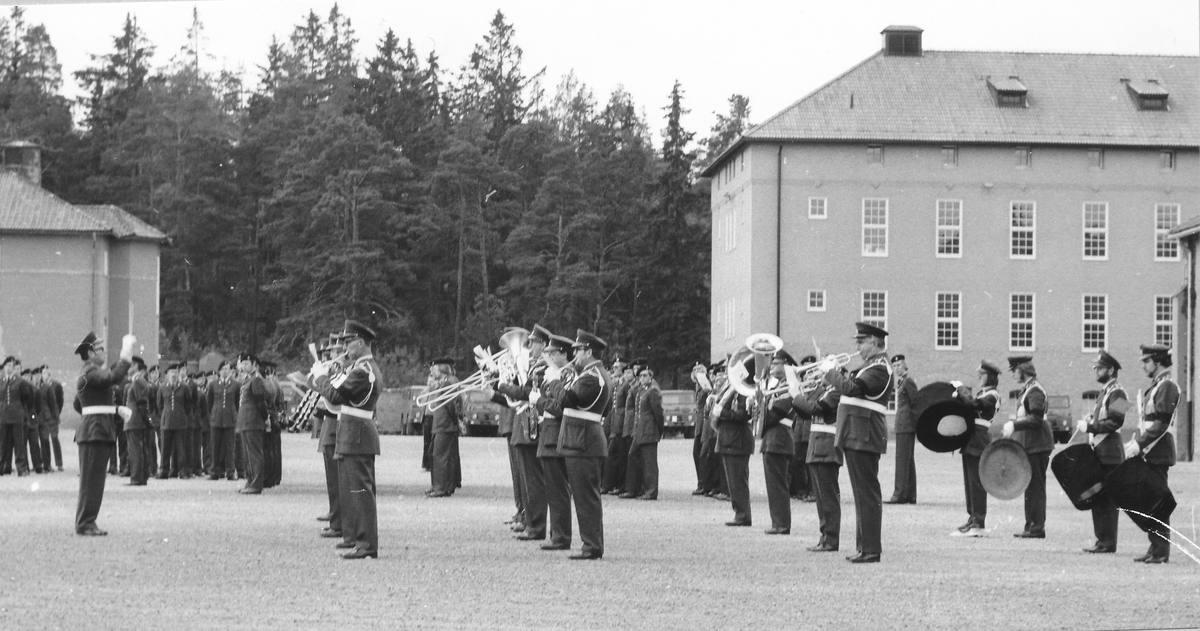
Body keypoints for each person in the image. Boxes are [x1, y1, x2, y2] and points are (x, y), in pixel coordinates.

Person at [310, 320, 383, 560]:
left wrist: (321, 378)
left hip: (357, 433)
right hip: (352, 432)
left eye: (349, 342)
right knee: (352, 490)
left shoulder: (363, 371)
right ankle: (354, 536)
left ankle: (366, 544)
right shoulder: (360, 368)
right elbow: (336, 396)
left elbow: (334, 393)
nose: (345, 348)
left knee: (360, 491)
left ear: (361, 343)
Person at [822, 322, 893, 563]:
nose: (858, 347)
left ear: (874, 342)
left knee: (867, 493)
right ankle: (865, 547)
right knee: (862, 493)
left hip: (864, 432)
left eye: (862, 342)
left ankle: (871, 548)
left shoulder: (880, 368)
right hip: (857, 432)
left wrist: (831, 372)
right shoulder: (870, 366)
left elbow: (852, 389)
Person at [490, 323, 550, 541]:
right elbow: (515, 400)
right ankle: (529, 520)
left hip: (531, 427)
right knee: (526, 481)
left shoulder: (541, 367)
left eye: (533, 342)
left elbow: (525, 393)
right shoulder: (531, 366)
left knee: (533, 481)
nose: (529, 346)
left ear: (543, 345)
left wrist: (503, 386)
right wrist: (495, 390)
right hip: (522, 427)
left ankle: (536, 525)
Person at [556, 329, 612, 560]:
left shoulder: (592, 376)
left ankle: (592, 545)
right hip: (584, 438)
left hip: (584, 440)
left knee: (585, 496)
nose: (574, 355)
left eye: (578, 350)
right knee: (584, 495)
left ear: (588, 351)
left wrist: (553, 379)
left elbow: (567, 400)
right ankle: (591, 543)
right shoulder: (593, 373)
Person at [72, 331, 135, 535]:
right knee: (92, 481)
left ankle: (87, 521)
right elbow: (114, 376)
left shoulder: (88, 374)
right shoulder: (90, 373)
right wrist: (126, 353)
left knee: (94, 480)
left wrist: (114, 410)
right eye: (100, 349)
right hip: (95, 431)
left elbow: (78, 404)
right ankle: (85, 523)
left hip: (95, 430)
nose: (104, 353)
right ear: (90, 352)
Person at [1125, 344, 1179, 564]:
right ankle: (1154, 546)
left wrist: (1140, 444)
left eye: (1146, 362)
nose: (1144, 366)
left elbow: (1161, 423)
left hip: (1157, 451)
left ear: (1157, 362)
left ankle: (1160, 550)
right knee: (1151, 501)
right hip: (1150, 450)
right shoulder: (1158, 385)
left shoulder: (1166, 386)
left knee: (1158, 501)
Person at [1074, 350, 1129, 553]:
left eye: (1100, 368)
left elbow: (1117, 421)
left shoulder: (1119, 392)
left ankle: (1108, 542)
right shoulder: (1106, 392)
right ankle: (1101, 540)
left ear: (1111, 370)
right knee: (1098, 497)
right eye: (1096, 368)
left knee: (1107, 500)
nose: (1096, 371)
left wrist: (1091, 427)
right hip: (1101, 452)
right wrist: (1092, 421)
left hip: (1111, 453)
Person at [534, 332, 577, 551]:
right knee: (553, 490)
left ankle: (561, 536)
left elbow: (562, 408)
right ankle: (557, 533)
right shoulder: (556, 374)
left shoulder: (566, 374)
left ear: (562, 354)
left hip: (555, 434)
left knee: (558, 490)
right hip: (548, 433)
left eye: (552, 352)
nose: (548, 356)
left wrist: (539, 401)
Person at [1003, 355, 1052, 539]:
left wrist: (1014, 425)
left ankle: (1037, 527)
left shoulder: (1035, 391)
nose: (1013, 375)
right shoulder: (1028, 390)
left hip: (1037, 444)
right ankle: (1030, 525)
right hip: (1030, 444)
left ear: (1023, 370)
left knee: (1036, 487)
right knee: (1029, 486)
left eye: (1014, 371)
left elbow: (1036, 419)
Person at [951, 360, 1001, 537]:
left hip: (979, 438)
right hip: (972, 438)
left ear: (991, 377)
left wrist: (961, 389)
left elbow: (973, 405)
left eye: (983, 374)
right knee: (969, 483)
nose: (979, 376)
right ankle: (973, 518)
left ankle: (978, 522)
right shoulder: (984, 393)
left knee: (976, 483)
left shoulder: (992, 395)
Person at [796, 373, 842, 551]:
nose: (819, 377)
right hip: (817, 447)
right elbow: (804, 411)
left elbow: (814, 409)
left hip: (826, 447)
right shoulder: (824, 392)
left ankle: (831, 539)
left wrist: (796, 394)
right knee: (821, 499)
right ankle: (825, 536)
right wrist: (798, 395)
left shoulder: (835, 393)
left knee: (828, 498)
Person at [761, 350, 798, 535]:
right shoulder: (779, 386)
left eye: (776, 363)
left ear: (786, 366)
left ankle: (782, 523)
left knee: (778, 483)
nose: (772, 366)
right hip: (773, 439)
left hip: (780, 438)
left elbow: (777, 412)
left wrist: (760, 415)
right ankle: (778, 521)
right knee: (773, 484)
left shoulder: (790, 386)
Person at [713, 368, 754, 527]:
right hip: (729, 439)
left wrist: (722, 412)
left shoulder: (743, 392)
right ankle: (740, 512)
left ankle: (743, 515)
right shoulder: (731, 390)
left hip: (738, 440)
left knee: (738, 481)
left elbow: (744, 415)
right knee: (733, 481)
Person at [427, 357, 462, 498]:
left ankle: (441, 488)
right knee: (438, 455)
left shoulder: (449, 382)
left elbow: (451, 404)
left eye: (434, 369)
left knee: (439, 456)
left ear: (441, 369)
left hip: (445, 425)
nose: (432, 371)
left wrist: (456, 420)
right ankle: (444, 486)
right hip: (442, 424)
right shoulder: (445, 382)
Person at [886, 354, 918, 504]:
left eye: (899, 365)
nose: (897, 368)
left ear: (905, 365)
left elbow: (915, 402)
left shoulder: (908, 381)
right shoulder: (902, 382)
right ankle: (910, 495)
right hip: (903, 424)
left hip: (906, 424)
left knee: (902, 460)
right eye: (895, 366)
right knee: (907, 460)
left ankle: (899, 494)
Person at [235, 353, 269, 494]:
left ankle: (256, 484)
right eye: (242, 363)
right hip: (245, 421)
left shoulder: (256, 380)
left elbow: (260, 402)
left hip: (253, 421)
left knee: (254, 453)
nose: (243, 366)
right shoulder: (248, 379)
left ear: (254, 365)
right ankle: (250, 481)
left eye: (247, 363)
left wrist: (265, 418)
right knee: (247, 454)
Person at [629, 366, 664, 500]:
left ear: (650, 377)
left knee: (649, 463)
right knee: (635, 457)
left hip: (649, 430)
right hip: (640, 431)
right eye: (640, 376)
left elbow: (658, 413)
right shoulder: (641, 391)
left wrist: (659, 430)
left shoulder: (652, 391)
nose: (642, 378)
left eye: (645, 376)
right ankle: (642, 488)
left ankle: (651, 491)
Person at [618, 357, 648, 498]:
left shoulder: (639, 385)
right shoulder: (632, 385)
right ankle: (630, 487)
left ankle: (634, 488)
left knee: (633, 456)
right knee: (630, 456)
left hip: (635, 425)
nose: (636, 372)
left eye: (638, 370)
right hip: (629, 423)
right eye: (634, 370)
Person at [157, 363, 193, 479]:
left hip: (180, 422)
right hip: (166, 421)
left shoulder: (184, 387)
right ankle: (164, 471)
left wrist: (181, 414)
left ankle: (182, 471)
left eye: (176, 373)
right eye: (171, 373)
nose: (174, 375)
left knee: (181, 448)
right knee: (165, 448)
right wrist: (166, 414)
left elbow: (188, 405)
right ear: (167, 375)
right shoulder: (162, 387)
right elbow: (160, 405)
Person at [602, 359, 632, 494]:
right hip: (614, 421)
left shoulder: (625, 385)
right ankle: (609, 484)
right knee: (612, 453)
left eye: (617, 368)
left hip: (621, 423)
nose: (615, 370)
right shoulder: (617, 384)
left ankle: (618, 485)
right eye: (613, 367)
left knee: (619, 454)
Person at [699, 361, 729, 500]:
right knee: (711, 458)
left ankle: (719, 488)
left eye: (720, 376)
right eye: (716, 377)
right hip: (712, 429)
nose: (716, 379)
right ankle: (713, 486)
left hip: (719, 430)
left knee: (718, 460)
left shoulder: (725, 391)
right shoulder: (714, 391)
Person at [788, 356, 816, 502]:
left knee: (810, 461)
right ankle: (800, 489)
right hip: (799, 427)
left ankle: (813, 491)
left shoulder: (817, 388)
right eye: (806, 371)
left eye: (811, 371)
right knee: (797, 460)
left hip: (811, 426)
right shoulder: (800, 387)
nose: (808, 374)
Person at [207, 361, 240, 480]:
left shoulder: (236, 385)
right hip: (216, 419)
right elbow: (209, 402)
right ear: (219, 371)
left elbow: (237, 403)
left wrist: (233, 414)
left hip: (230, 419)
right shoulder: (213, 384)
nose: (225, 371)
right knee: (215, 446)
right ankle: (215, 471)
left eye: (227, 369)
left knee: (230, 447)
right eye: (223, 369)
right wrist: (214, 414)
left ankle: (230, 471)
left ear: (231, 371)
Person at [123, 357, 153, 486]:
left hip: (135, 421)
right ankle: (141, 477)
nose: (128, 368)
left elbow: (142, 403)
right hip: (135, 420)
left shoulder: (139, 381)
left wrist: (147, 421)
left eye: (130, 366)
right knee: (138, 450)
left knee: (135, 451)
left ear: (136, 366)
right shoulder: (138, 381)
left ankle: (136, 478)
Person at [0, 356, 31, 476]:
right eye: (7, 366)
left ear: (13, 368)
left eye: (11, 366)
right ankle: (1, 467)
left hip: (16, 416)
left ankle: (21, 469)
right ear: (4, 367)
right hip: (3, 416)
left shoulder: (20, 381)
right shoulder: (1, 380)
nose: (9, 368)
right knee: (2, 443)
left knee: (19, 443)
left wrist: (17, 408)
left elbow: (25, 397)